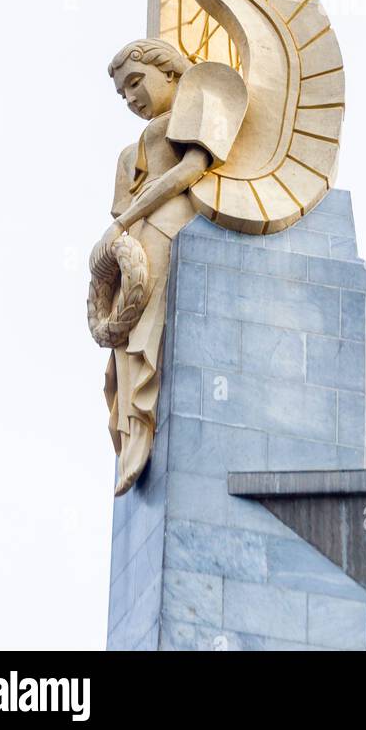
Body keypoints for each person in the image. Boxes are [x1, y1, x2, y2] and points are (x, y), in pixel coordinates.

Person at [91, 38, 246, 495]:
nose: (132, 98)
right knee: (121, 329)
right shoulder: (127, 154)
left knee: (145, 319)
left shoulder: (199, 99)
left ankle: (144, 418)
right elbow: (120, 212)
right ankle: (128, 427)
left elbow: (192, 168)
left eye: (136, 83)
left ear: (170, 72)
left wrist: (128, 218)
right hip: (134, 237)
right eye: (123, 94)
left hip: (171, 219)